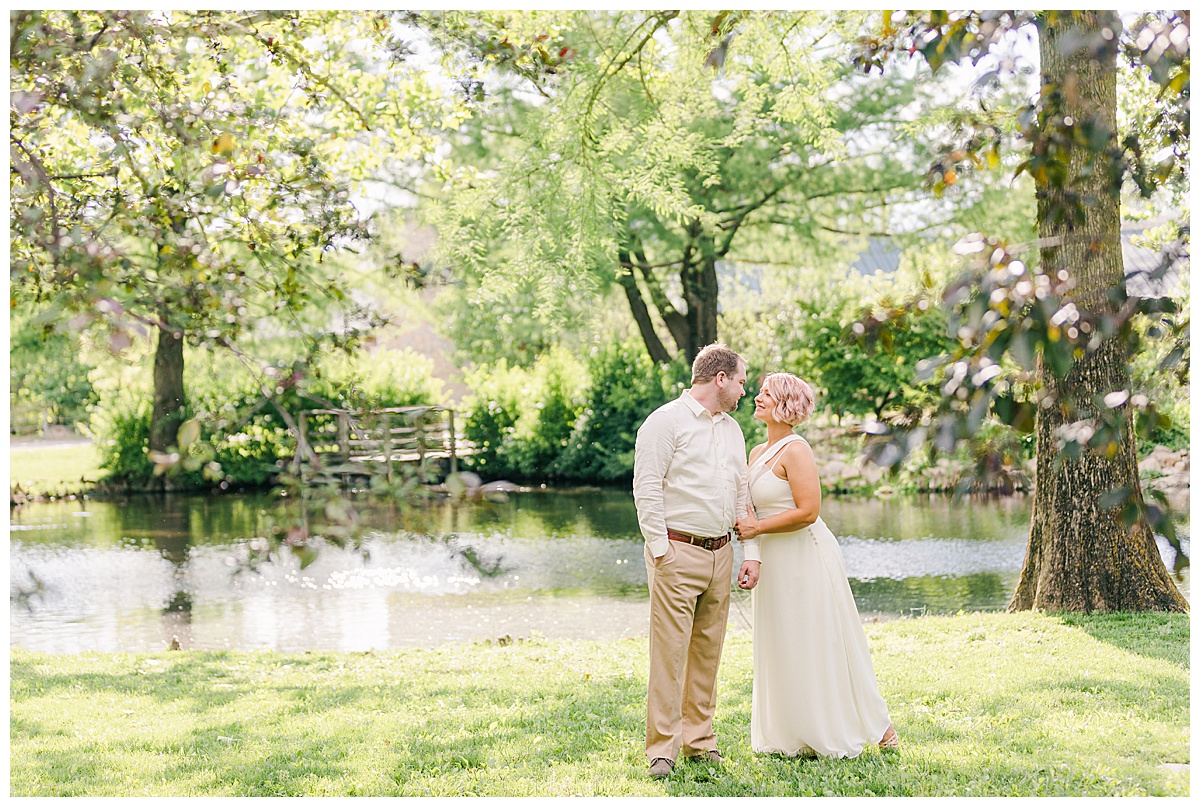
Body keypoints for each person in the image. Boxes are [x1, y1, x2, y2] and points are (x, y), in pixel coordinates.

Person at [734, 371, 898, 758]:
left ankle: (876, 726)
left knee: (818, 638)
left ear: (786, 404)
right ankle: (791, 731)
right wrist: (752, 548)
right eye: (758, 392)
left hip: (806, 555)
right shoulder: (758, 453)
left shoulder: (797, 449)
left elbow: (809, 511)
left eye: (766, 394)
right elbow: (747, 505)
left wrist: (757, 525)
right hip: (773, 561)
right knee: (784, 641)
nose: (757, 398)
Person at [633, 343, 762, 779]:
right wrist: (660, 549)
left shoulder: (733, 430)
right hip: (677, 551)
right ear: (720, 378)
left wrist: (751, 552)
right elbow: (646, 487)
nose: (746, 390)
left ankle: (699, 742)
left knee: (708, 653)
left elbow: (742, 494)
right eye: (742, 381)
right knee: (669, 654)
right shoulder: (665, 421)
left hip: (720, 552)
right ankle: (662, 751)